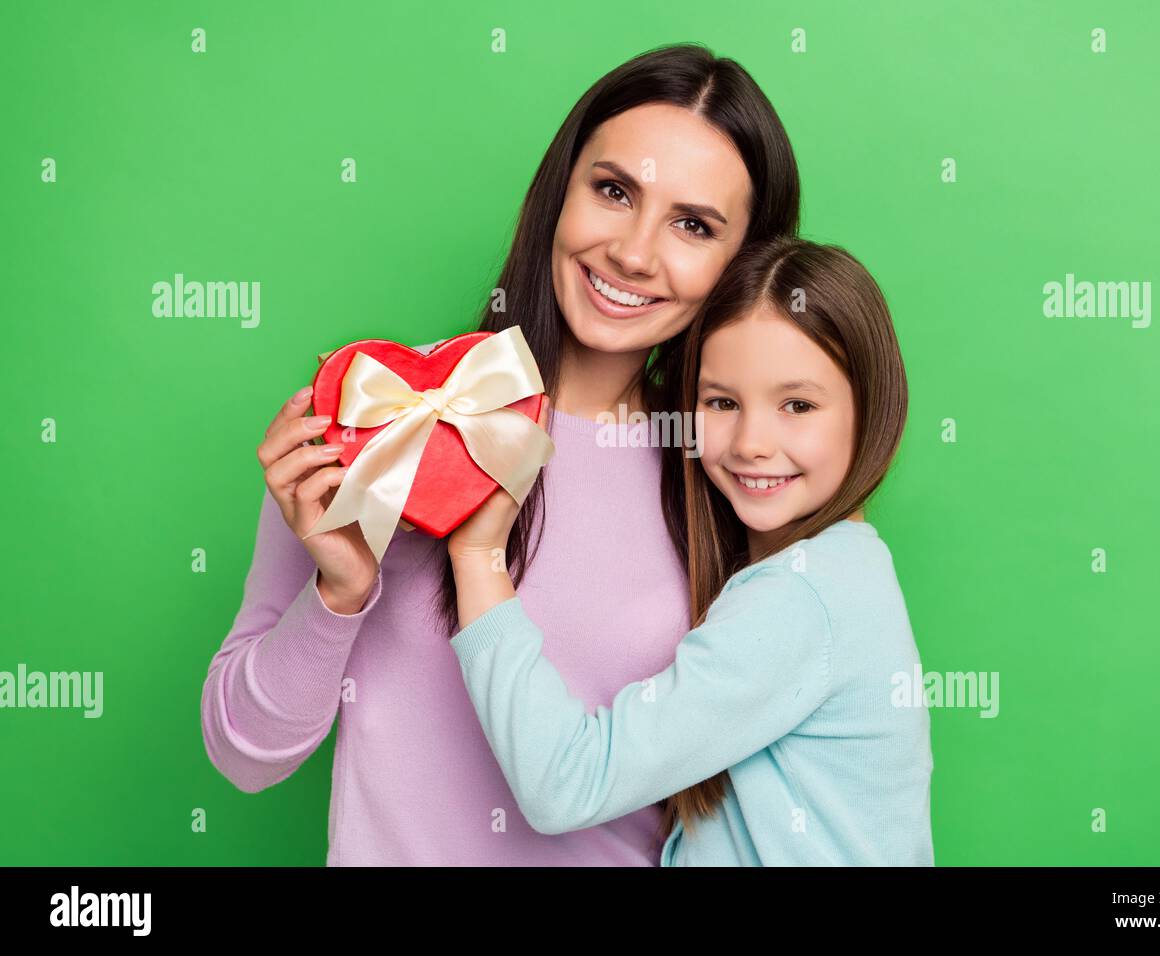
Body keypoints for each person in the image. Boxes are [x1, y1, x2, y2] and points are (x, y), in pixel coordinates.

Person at [200, 43, 802, 865]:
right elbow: (243, 756)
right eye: (614, 190)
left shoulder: (734, 476)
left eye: (693, 225)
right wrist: (339, 592)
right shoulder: (387, 409)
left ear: (742, 266)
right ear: (560, 192)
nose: (632, 252)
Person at [446, 237, 935, 865]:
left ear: (872, 410)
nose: (753, 442)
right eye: (722, 402)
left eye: (798, 405)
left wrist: (478, 556)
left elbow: (565, 786)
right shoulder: (841, 575)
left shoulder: (804, 595)